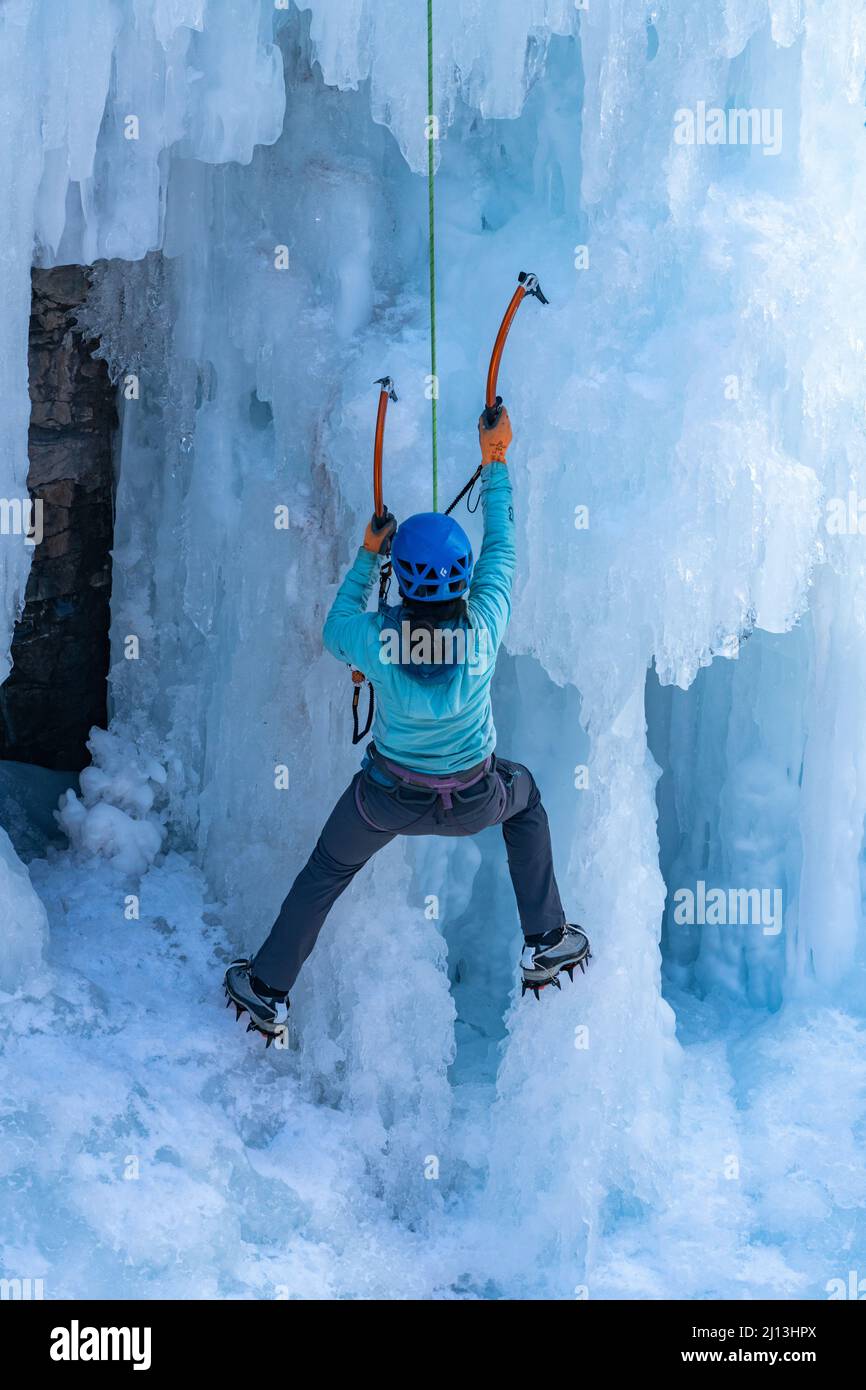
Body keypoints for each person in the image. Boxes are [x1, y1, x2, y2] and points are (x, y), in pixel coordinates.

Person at [225, 404, 590, 1041]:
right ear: (463, 582)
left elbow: (335, 629)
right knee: (525, 801)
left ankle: (266, 990)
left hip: (385, 802)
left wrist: (369, 556)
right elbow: (503, 545)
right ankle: (546, 939)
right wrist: (494, 460)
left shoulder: (378, 641)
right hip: (479, 798)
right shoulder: (484, 624)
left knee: (325, 873)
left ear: (406, 584)